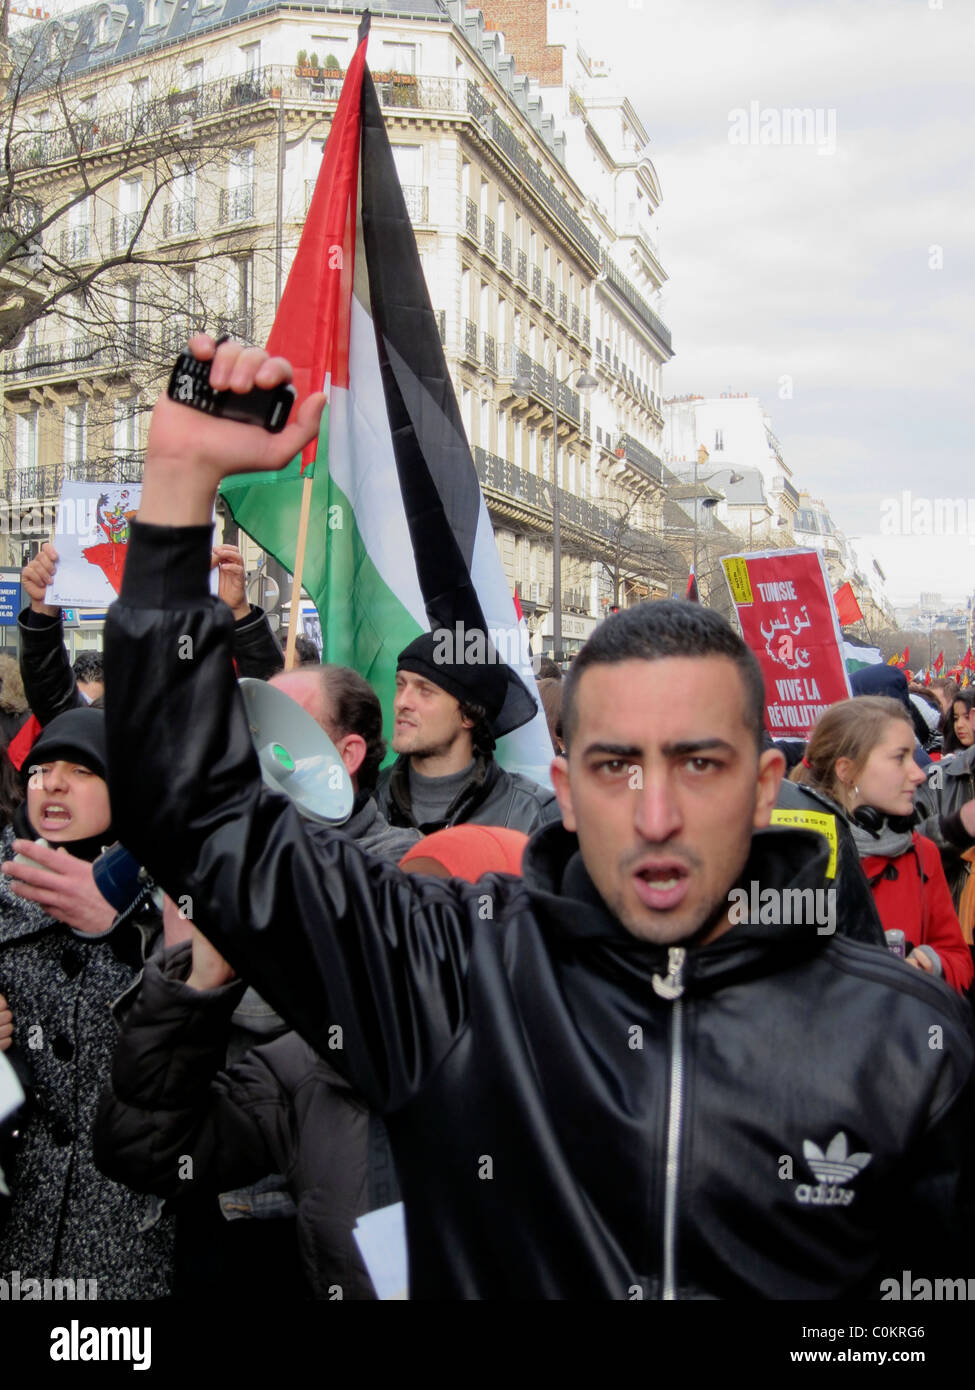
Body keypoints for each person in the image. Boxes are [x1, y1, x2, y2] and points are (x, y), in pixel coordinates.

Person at [103, 336, 975, 1298]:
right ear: (562, 787)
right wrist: (180, 483)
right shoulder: (448, 978)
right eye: (613, 765)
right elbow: (196, 808)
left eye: (697, 762)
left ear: (765, 784)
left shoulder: (903, 1038)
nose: (655, 813)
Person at [0, 707, 173, 1297]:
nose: (52, 783)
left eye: (81, 770)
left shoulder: (175, 898)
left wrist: (127, 932)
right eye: (41, 770)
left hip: (128, 1229)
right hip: (13, 1219)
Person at [792, 697, 973, 994]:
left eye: (913, 757)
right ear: (846, 770)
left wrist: (933, 966)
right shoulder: (792, 856)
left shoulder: (922, 853)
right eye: (899, 757)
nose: (917, 774)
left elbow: (958, 959)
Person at [374, 631, 558, 834]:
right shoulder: (367, 800)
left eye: (425, 690)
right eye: (401, 685)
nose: (401, 702)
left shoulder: (531, 816)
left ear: (468, 714)